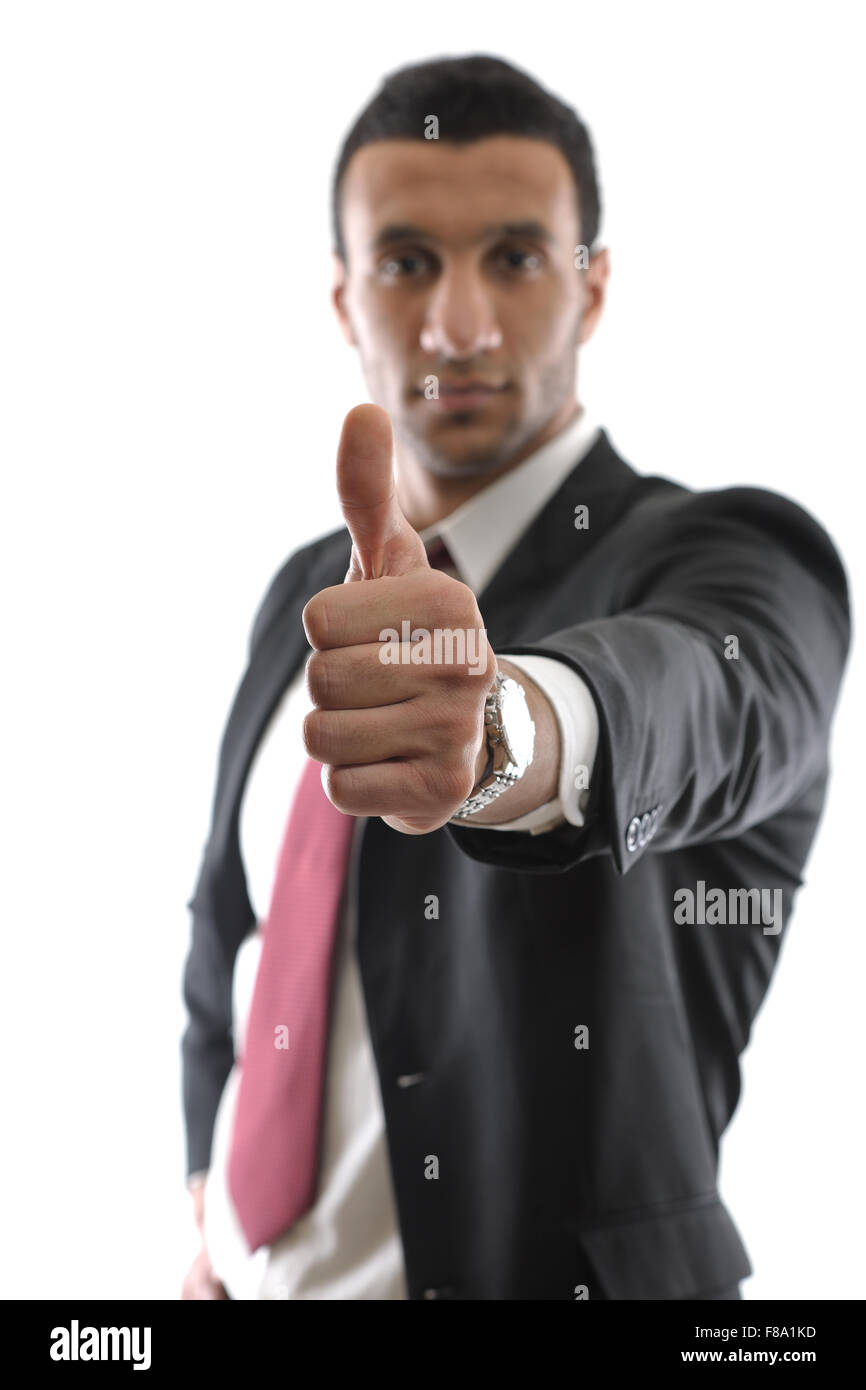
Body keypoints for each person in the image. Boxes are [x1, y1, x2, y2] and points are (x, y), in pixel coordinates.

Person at [180, 54, 850, 1301]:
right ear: (341, 298)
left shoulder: (727, 557)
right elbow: (230, 926)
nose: (459, 327)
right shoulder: (300, 599)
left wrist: (501, 730)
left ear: (592, 288)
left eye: (514, 256)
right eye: (406, 261)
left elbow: (703, 698)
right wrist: (210, 1216)